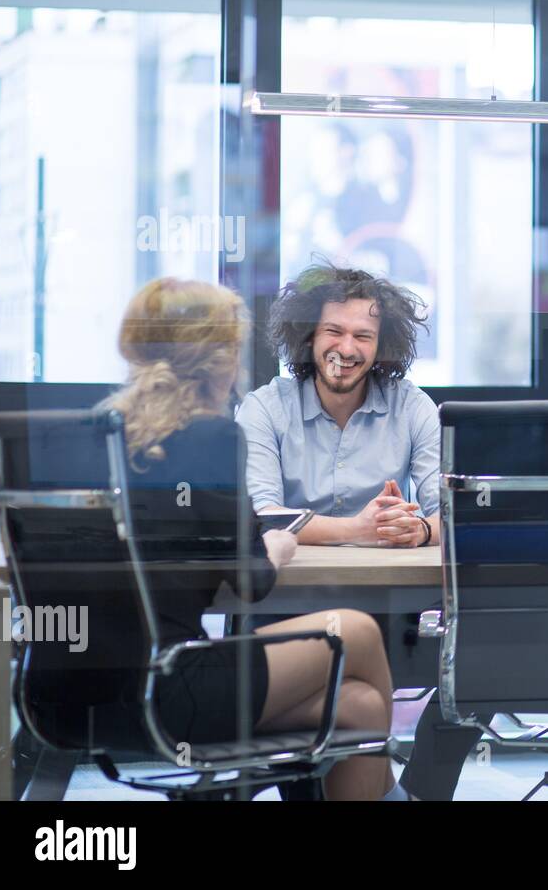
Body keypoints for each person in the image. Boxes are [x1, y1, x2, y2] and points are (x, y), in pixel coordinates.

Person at [100, 278, 402, 800]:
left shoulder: (93, 433)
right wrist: (278, 545)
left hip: (66, 693)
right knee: (356, 630)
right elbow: (250, 579)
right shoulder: (209, 438)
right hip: (168, 684)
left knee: (360, 709)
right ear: (218, 361)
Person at [236, 263, 440, 548]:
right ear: (309, 337)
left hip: (391, 586)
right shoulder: (265, 409)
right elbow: (262, 518)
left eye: (362, 336)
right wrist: (357, 530)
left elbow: (451, 514)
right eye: (334, 331)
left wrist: (420, 530)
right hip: (290, 586)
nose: (346, 349)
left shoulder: (413, 407)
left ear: (382, 346)